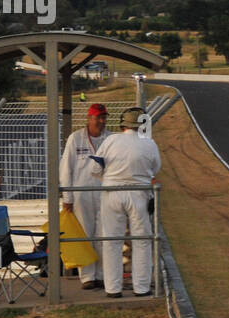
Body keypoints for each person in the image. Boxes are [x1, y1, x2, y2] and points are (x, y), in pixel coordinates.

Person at [92, 106, 161, 298]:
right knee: (142, 241)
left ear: (123, 124)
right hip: (139, 193)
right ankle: (141, 287)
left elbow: (95, 168)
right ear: (141, 125)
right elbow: (155, 168)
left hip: (111, 193)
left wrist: (109, 179)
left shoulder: (111, 140)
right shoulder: (149, 143)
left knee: (112, 241)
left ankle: (113, 288)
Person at [59, 102, 109, 289]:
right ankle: (88, 277)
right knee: (85, 235)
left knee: (104, 236)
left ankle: (103, 275)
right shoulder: (76, 138)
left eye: (103, 117)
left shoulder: (111, 138)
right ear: (89, 119)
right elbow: (66, 169)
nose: (101, 121)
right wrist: (67, 198)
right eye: (97, 117)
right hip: (81, 194)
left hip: (105, 193)